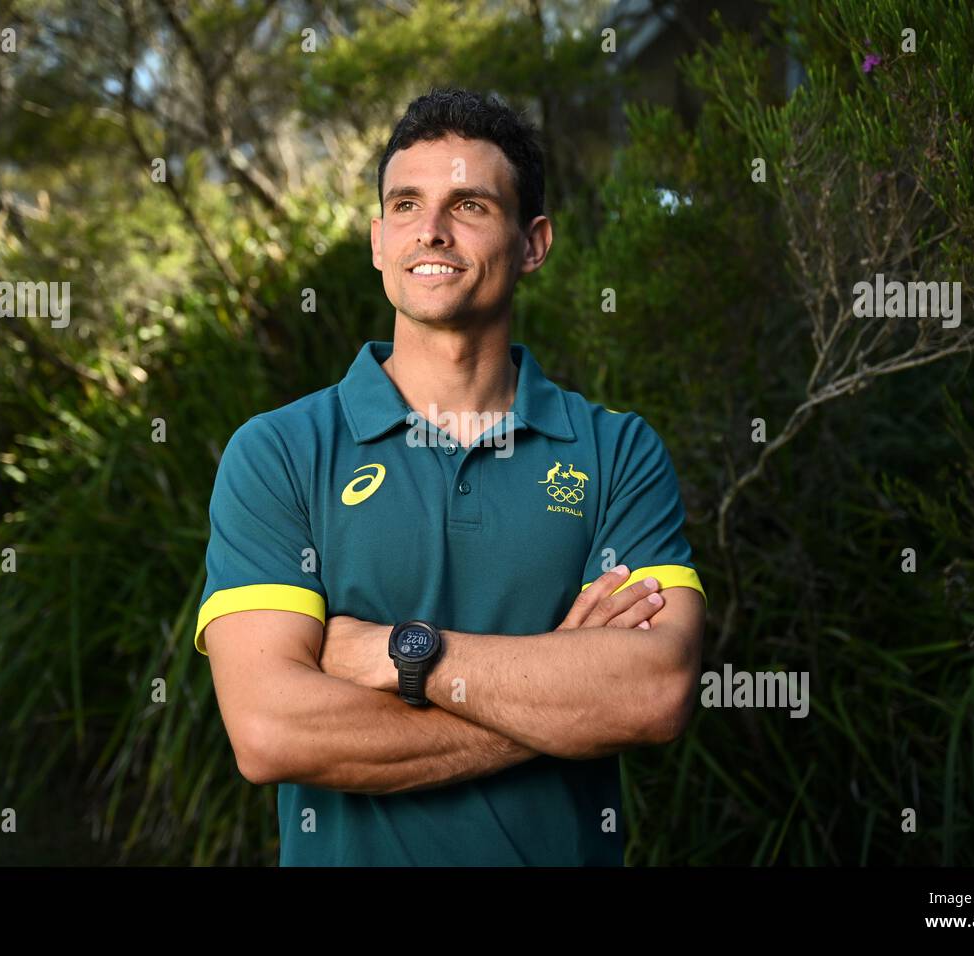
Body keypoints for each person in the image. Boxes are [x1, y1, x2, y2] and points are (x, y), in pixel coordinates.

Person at [194, 87, 706, 866]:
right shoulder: (279, 452)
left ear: (533, 243)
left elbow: (652, 694)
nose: (429, 229)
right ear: (377, 240)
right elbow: (270, 732)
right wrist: (557, 698)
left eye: (468, 205)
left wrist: (402, 651)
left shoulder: (617, 452)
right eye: (405, 204)